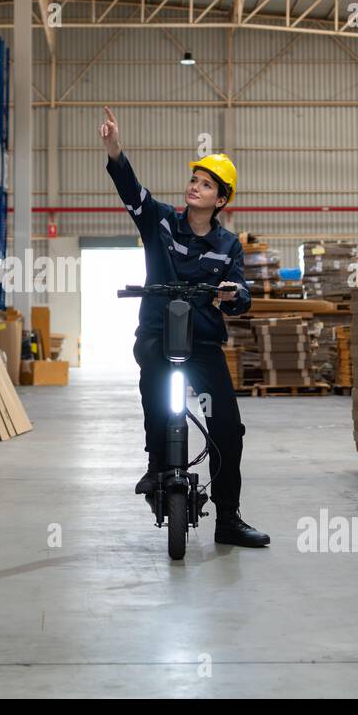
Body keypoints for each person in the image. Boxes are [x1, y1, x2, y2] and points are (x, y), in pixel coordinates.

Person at [99, 106, 270, 548]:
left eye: (206, 184)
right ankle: (158, 466)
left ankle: (228, 520)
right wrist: (115, 151)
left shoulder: (228, 245)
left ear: (221, 199)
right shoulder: (160, 222)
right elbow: (132, 193)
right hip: (157, 337)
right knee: (156, 395)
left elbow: (243, 294)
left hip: (204, 345)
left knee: (227, 430)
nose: (195, 187)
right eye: (195, 179)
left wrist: (234, 296)